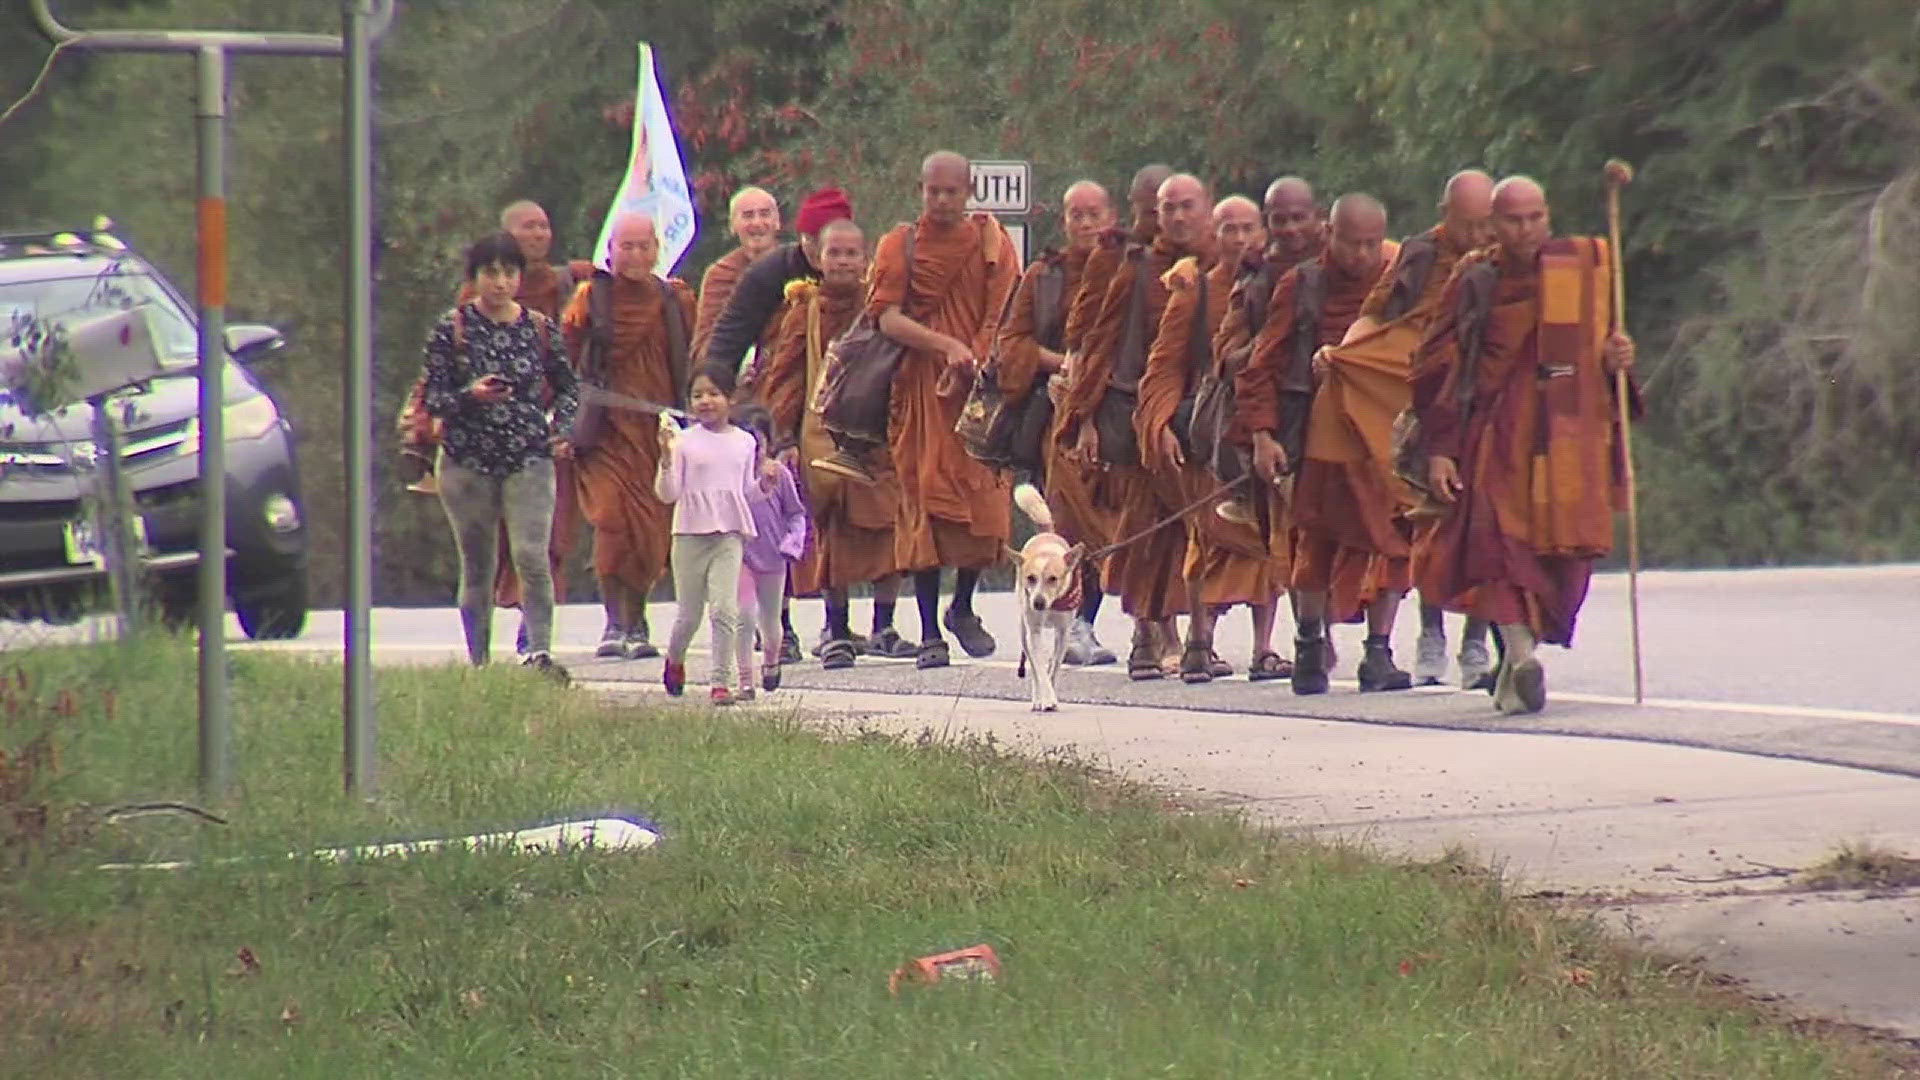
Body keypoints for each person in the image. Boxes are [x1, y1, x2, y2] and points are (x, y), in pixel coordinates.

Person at [1412, 176, 1638, 715]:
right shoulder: (1477, 280)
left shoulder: (1579, 273)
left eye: (1535, 217)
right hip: (1499, 432)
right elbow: (1435, 362)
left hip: (1566, 437)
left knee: (1561, 556)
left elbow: (1599, 345)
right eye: (1513, 219)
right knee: (1498, 546)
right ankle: (1520, 654)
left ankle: (1515, 669)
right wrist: (1440, 447)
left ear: (1549, 217)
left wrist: (1618, 361)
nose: (1526, 229)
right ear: (1492, 225)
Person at [1341, 170, 1498, 689]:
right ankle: (1431, 633)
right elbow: (1376, 314)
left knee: (1484, 523)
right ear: (1443, 213)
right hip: (1426, 400)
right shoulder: (1422, 254)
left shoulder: (1507, 259)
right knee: (1428, 519)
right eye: (1466, 224)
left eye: (1485, 224)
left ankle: (1477, 641)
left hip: (1487, 401)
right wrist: (1344, 354)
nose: (1477, 237)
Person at [1237, 194, 1399, 695]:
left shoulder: (1395, 281)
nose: (1364, 255)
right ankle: (1308, 641)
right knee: (1315, 541)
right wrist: (1263, 436)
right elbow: (1260, 365)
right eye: (1354, 244)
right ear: (1330, 234)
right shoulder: (1302, 284)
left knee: (1395, 539)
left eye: (1374, 244)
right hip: (1318, 434)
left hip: (1379, 435)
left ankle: (1379, 651)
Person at [868, 150, 1021, 668]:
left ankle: (963, 605)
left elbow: (1002, 310)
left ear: (969, 192)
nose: (941, 201)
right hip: (919, 393)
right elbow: (886, 317)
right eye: (933, 191)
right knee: (925, 507)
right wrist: (942, 346)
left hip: (976, 394)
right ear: (920, 189)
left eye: (951, 192)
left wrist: (975, 353)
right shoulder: (900, 245)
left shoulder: (990, 241)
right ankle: (930, 630)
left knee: (986, 507)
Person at [1062, 172, 1213, 680]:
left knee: (1193, 525)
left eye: (1180, 206)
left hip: (1194, 410)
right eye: (1158, 207)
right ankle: (1148, 630)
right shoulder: (1131, 264)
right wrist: (1084, 418)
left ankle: (1188, 634)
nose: (1168, 217)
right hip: (1130, 409)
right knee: (1142, 528)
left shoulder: (1216, 264)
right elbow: (1094, 339)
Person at [1138, 194, 1290, 682]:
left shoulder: (1278, 286)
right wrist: (1160, 423)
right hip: (1212, 432)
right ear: (1214, 235)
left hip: (1262, 429)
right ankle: (1199, 642)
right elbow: (1163, 366)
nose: (1240, 239)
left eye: (1248, 229)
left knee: (1267, 539)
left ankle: (1264, 648)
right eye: (1229, 229)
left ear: (1262, 234)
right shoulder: (1196, 292)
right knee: (1208, 538)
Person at [706, 186, 856, 664]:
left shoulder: (862, 278)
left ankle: (841, 627)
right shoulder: (773, 274)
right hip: (780, 408)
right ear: (803, 240)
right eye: (816, 243)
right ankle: (781, 626)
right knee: (775, 517)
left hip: (845, 412)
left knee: (844, 518)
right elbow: (728, 338)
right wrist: (713, 394)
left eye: (836, 245)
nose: (826, 254)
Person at [419, 232, 578, 680]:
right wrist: (469, 396)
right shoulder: (453, 329)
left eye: (509, 273)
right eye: (491, 273)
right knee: (478, 563)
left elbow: (568, 386)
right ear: (474, 278)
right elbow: (432, 396)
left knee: (532, 554)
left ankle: (541, 652)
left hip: (528, 456)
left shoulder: (539, 327)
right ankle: (480, 663)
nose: (501, 283)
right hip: (467, 460)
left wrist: (560, 429)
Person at [760, 218, 917, 669]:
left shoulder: (883, 309)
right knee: (834, 530)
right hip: (821, 437)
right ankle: (838, 627)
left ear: (866, 259)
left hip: (878, 434)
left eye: (852, 253)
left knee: (887, 525)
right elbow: (786, 379)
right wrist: (783, 437)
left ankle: (884, 625)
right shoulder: (804, 311)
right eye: (835, 253)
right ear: (818, 258)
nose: (844, 261)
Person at [995, 178, 1118, 665]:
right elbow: (1013, 342)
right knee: (1070, 522)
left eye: (1094, 214)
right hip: (1059, 416)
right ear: (1064, 221)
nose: (1085, 224)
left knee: (1111, 526)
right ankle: (1075, 622)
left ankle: (1089, 621)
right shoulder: (1044, 276)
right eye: (1076, 215)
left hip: (1118, 413)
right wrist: (1058, 363)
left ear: (1110, 218)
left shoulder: (1129, 270)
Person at [562, 212, 695, 661]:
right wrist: (559, 423)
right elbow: (564, 366)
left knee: (649, 534)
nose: (636, 255)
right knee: (611, 522)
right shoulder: (589, 300)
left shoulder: (674, 300)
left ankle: (636, 622)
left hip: (656, 437)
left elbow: (695, 359)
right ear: (611, 250)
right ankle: (613, 621)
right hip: (605, 435)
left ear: (657, 250)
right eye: (627, 247)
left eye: (644, 246)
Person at [655, 362, 759, 705]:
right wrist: (666, 459)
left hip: (728, 534)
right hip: (688, 535)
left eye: (714, 394)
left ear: (730, 398)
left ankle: (720, 683)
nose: (705, 401)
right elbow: (668, 494)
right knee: (689, 614)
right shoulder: (682, 442)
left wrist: (767, 485)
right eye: (697, 395)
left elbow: (747, 491)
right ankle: (675, 658)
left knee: (725, 611)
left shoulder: (745, 442)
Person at [728, 403, 808, 699]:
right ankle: (745, 681)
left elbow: (796, 513)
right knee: (744, 615)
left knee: (770, 621)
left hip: (774, 557)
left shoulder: (781, 475)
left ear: (767, 443)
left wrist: (792, 542)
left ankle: (772, 663)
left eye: (757, 442)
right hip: (741, 556)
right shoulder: (729, 476)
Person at [691, 186, 781, 361]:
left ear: (777, 222)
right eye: (747, 215)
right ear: (733, 226)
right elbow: (704, 344)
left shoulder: (792, 266)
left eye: (764, 214)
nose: (757, 223)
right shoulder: (720, 274)